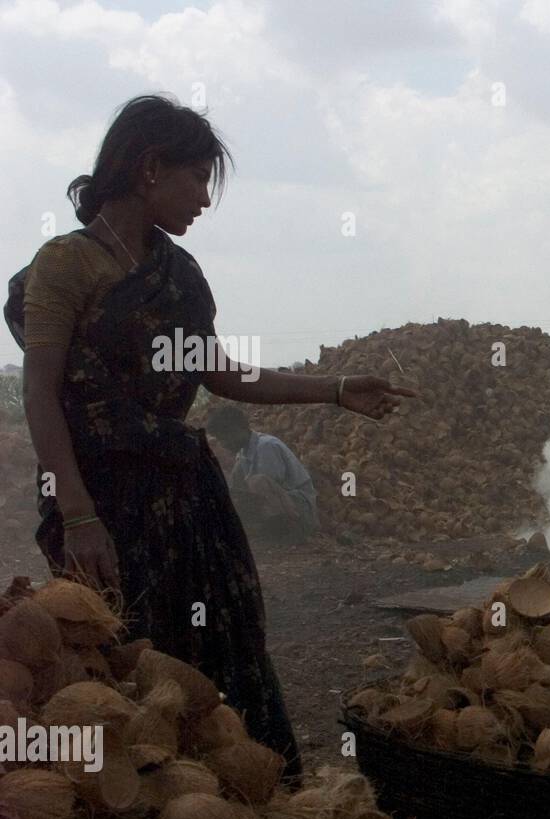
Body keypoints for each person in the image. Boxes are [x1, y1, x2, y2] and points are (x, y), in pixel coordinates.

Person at [3, 94, 415, 781]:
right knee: (124, 661)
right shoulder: (66, 265)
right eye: (198, 178)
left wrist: (337, 389)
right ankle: (142, 817)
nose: (203, 199)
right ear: (150, 168)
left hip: (185, 497)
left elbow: (220, 373)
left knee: (224, 649)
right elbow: (40, 391)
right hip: (104, 500)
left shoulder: (180, 276)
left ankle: (246, 800)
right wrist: (79, 515)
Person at [207, 405, 319, 543]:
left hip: (300, 512)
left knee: (257, 482)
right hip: (282, 505)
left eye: (224, 437)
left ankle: (288, 531)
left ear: (238, 429)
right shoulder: (243, 454)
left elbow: (267, 490)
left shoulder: (266, 446)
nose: (223, 443)